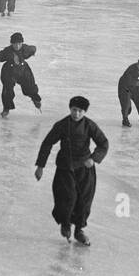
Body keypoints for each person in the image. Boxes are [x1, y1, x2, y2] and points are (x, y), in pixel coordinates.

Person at [35, 95, 110, 245]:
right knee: (66, 198)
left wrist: (93, 158)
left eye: (80, 111)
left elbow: (103, 143)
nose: (76, 114)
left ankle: (79, 231)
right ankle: (66, 224)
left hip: (84, 169)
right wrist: (40, 166)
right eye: (74, 110)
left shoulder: (89, 125)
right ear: (70, 109)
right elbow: (47, 143)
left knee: (84, 201)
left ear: (85, 112)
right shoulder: (62, 125)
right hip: (65, 168)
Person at [0, 32, 40, 117]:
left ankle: (35, 98)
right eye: (15, 44)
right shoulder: (7, 51)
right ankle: (6, 108)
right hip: (9, 72)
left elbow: (34, 48)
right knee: (7, 90)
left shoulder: (25, 48)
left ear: (22, 43)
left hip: (23, 71)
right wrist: (7, 56)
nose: (17, 46)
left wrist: (32, 53)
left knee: (30, 87)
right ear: (11, 43)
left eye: (19, 44)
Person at [117, 57, 139, 127]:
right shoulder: (131, 70)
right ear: (138, 65)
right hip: (125, 86)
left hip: (136, 85)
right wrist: (138, 82)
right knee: (126, 103)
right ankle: (125, 120)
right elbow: (128, 81)